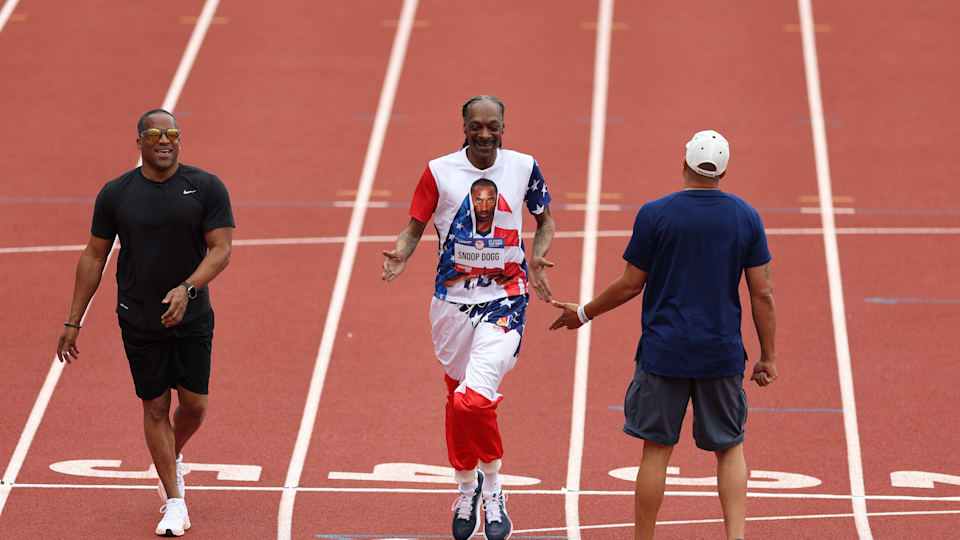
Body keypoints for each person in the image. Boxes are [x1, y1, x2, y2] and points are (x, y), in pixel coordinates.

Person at [550, 130, 777, 540]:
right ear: (724, 172)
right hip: (721, 353)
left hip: (663, 353)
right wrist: (768, 356)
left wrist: (583, 313)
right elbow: (762, 293)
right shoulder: (746, 217)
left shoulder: (655, 214)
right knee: (730, 448)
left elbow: (630, 284)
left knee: (655, 452)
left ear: (684, 163)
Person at [381, 95, 555, 540]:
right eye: (476, 125)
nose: (484, 133)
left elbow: (545, 221)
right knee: (456, 398)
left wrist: (537, 258)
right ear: (463, 127)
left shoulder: (524, 167)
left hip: (506, 299)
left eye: (492, 125)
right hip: (451, 305)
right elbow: (414, 228)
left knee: (472, 400)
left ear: (504, 127)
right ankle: (465, 486)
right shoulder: (439, 172)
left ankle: (492, 487)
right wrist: (401, 253)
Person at [56, 109, 234, 537]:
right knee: (155, 407)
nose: (164, 140)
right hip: (138, 317)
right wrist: (73, 320)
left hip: (192, 315)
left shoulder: (206, 187)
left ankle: (172, 456)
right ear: (139, 142)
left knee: (194, 406)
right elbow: (94, 255)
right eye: (154, 134)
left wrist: (187, 289)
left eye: (171, 133)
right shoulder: (116, 193)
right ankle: (175, 502)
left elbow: (221, 250)